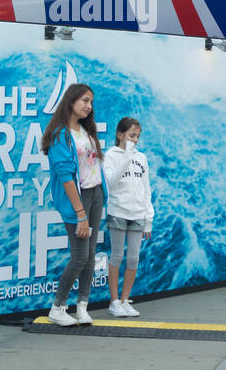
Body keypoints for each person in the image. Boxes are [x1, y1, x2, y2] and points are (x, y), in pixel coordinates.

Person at [42, 83, 108, 326]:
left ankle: (82, 306)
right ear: (71, 101)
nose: (89, 107)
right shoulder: (60, 135)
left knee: (90, 256)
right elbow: (66, 176)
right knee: (79, 256)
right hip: (78, 201)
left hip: (96, 195)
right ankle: (58, 307)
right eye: (85, 101)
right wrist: (79, 211)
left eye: (91, 102)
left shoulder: (86, 131)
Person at [102, 117, 155, 316]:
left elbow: (146, 189)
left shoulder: (142, 158)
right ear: (120, 134)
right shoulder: (111, 155)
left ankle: (125, 300)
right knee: (117, 256)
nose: (135, 140)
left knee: (133, 258)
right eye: (132, 135)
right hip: (118, 212)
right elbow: (111, 183)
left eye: (138, 136)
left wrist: (148, 219)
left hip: (138, 214)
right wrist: (126, 155)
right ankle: (114, 301)